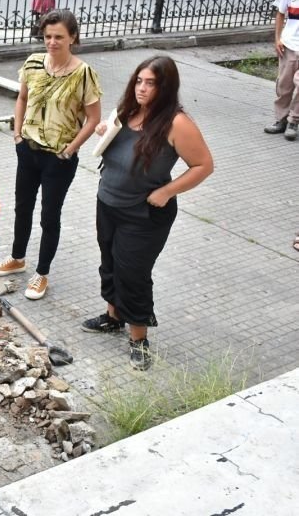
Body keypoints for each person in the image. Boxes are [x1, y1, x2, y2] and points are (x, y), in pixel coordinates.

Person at [81, 56, 214, 371]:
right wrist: (105, 130)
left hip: (144, 214)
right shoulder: (127, 110)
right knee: (110, 263)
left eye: (150, 83)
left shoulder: (176, 123)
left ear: (165, 87)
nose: (141, 88)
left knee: (133, 274)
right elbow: (118, 146)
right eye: (139, 80)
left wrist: (167, 191)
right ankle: (113, 317)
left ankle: (138, 338)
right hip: (108, 203)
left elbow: (204, 165)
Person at [0, 10, 101, 300]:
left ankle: (42, 273)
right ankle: (18, 257)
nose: (52, 42)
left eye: (59, 37)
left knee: (49, 215)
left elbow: (93, 118)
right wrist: (17, 135)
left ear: (73, 38)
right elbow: (22, 98)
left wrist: (71, 149)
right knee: (22, 207)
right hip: (28, 149)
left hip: (59, 158)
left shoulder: (83, 74)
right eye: (48, 36)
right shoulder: (33, 63)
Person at [264, 0, 299, 141]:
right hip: (289, 45)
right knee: (284, 86)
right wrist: (277, 38)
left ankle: (294, 121)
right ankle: (281, 119)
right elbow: (280, 13)